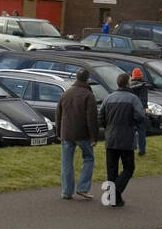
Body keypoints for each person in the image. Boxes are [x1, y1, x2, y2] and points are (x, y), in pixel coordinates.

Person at [101, 72, 146, 207]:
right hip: (126, 137)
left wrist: (108, 127)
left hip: (110, 137)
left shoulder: (108, 98)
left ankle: (114, 199)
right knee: (129, 167)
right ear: (128, 83)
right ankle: (114, 193)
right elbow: (140, 116)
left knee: (112, 170)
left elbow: (101, 117)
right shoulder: (133, 99)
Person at [55, 69, 99, 200]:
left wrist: (58, 132)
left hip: (66, 132)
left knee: (66, 162)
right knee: (89, 158)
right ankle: (82, 188)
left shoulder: (66, 93)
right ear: (87, 79)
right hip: (82, 133)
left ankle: (67, 191)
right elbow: (91, 118)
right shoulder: (88, 95)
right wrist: (94, 136)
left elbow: (58, 114)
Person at [128, 67, 149, 156]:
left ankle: (132, 147)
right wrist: (145, 108)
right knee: (141, 131)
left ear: (133, 76)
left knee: (131, 131)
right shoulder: (143, 87)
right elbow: (144, 100)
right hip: (141, 110)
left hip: (132, 111)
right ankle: (142, 149)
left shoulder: (129, 87)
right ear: (141, 76)